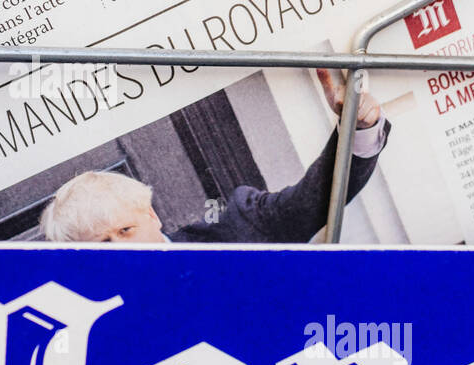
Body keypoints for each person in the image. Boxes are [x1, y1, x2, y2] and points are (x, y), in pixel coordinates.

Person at [39, 69, 389, 244]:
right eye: (101, 247)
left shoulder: (240, 226)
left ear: (150, 214)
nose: (120, 251)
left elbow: (310, 203)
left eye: (125, 230)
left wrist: (358, 126)